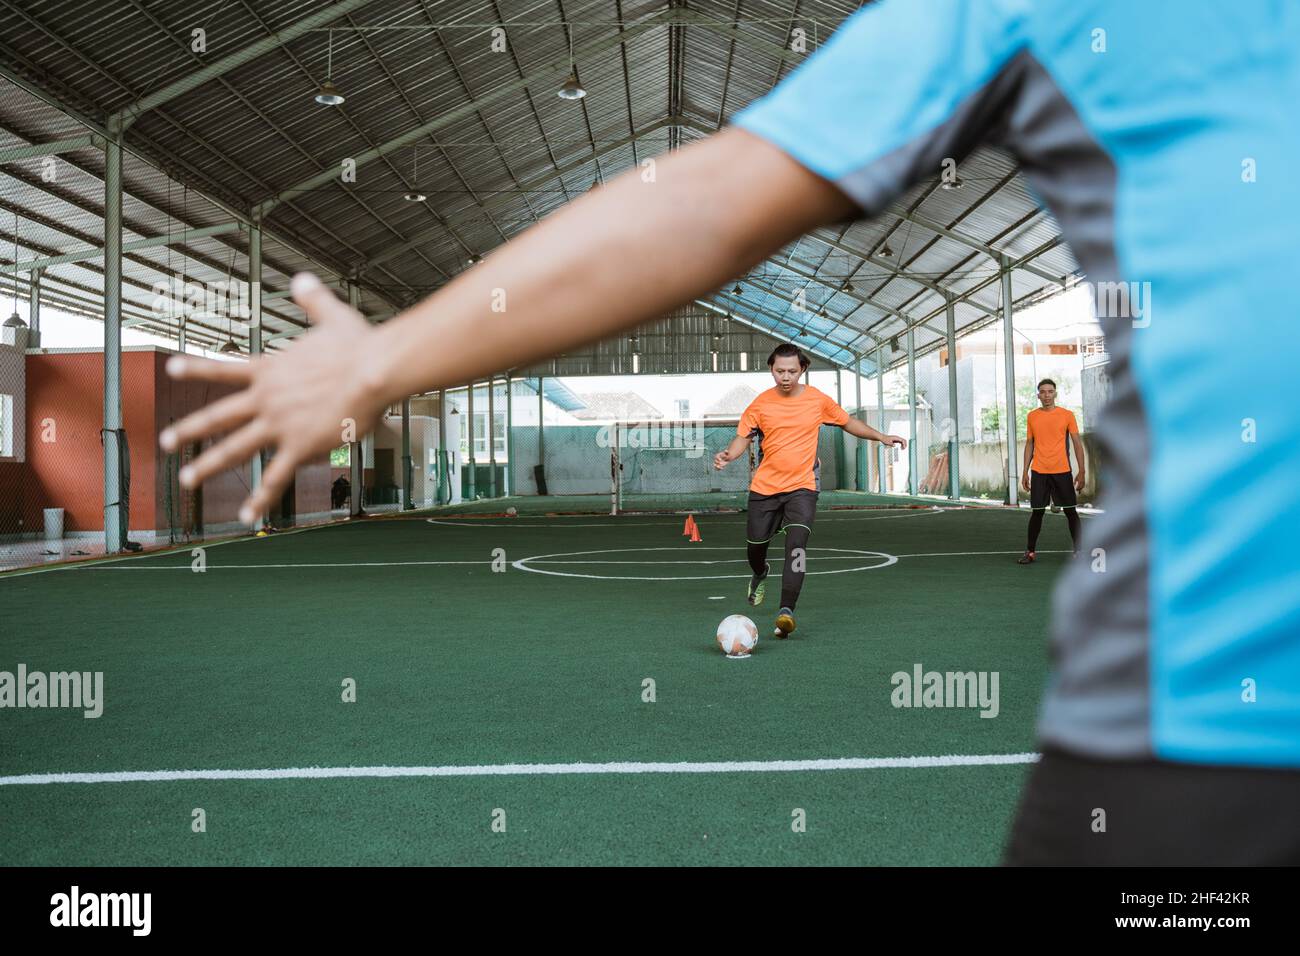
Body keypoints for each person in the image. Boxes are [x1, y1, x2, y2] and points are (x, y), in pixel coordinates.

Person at [161, 0, 1300, 864]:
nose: (798, 368)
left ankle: (787, 593)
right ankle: (767, 576)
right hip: (1214, 735)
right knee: (764, 538)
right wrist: (383, 358)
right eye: (794, 361)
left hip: (1178, 714)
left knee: (795, 546)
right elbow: (705, 203)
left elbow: (808, 348)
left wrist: (886, 444)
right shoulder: (1029, 16)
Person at [713, 343, 905, 637]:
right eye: (780, 371)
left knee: (797, 548)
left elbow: (848, 422)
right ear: (771, 369)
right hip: (764, 488)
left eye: (792, 371)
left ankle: (786, 611)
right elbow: (742, 438)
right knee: (754, 548)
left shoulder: (817, 400)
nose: (786, 377)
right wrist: (729, 454)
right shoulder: (760, 404)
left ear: (802, 369)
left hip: (803, 487)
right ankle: (760, 571)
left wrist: (880, 436)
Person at [1017, 379, 1083, 564]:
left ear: (1055, 394)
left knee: (1071, 511)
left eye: (1050, 391)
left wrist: (1082, 471)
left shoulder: (1067, 415)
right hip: (1039, 470)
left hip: (1062, 470)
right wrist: (1025, 471)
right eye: (1043, 392)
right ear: (1038, 395)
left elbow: (1077, 444)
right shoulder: (1032, 416)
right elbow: (1030, 444)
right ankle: (1030, 552)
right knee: (1037, 512)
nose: (1047, 395)